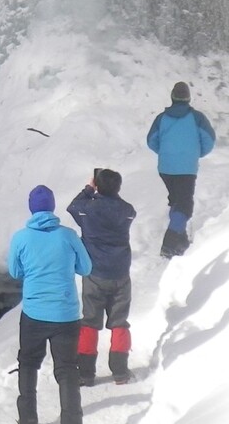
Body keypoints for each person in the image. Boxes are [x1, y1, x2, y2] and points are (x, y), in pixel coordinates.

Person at [7, 184, 94, 424]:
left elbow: (14, 271)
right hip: (65, 314)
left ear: (31, 208)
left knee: (28, 363)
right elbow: (86, 267)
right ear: (53, 206)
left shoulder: (21, 238)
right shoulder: (68, 235)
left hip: (33, 312)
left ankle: (29, 422)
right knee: (67, 370)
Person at [66, 169, 137, 385]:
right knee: (119, 321)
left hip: (95, 273)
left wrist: (89, 190)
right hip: (120, 272)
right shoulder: (127, 211)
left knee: (89, 321)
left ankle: (86, 374)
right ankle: (120, 372)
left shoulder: (88, 210)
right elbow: (122, 208)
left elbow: (72, 207)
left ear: (97, 185)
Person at [146, 81, 216, 258]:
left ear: (172, 97)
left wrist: (165, 153)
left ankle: (181, 241)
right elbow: (209, 139)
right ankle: (169, 244)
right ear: (188, 98)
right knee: (185, 205)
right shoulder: (197, 117)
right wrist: (196, 153)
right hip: (186, 168)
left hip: (166, 168)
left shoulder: (162, 118)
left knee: (177, 201)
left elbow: (151, 140)